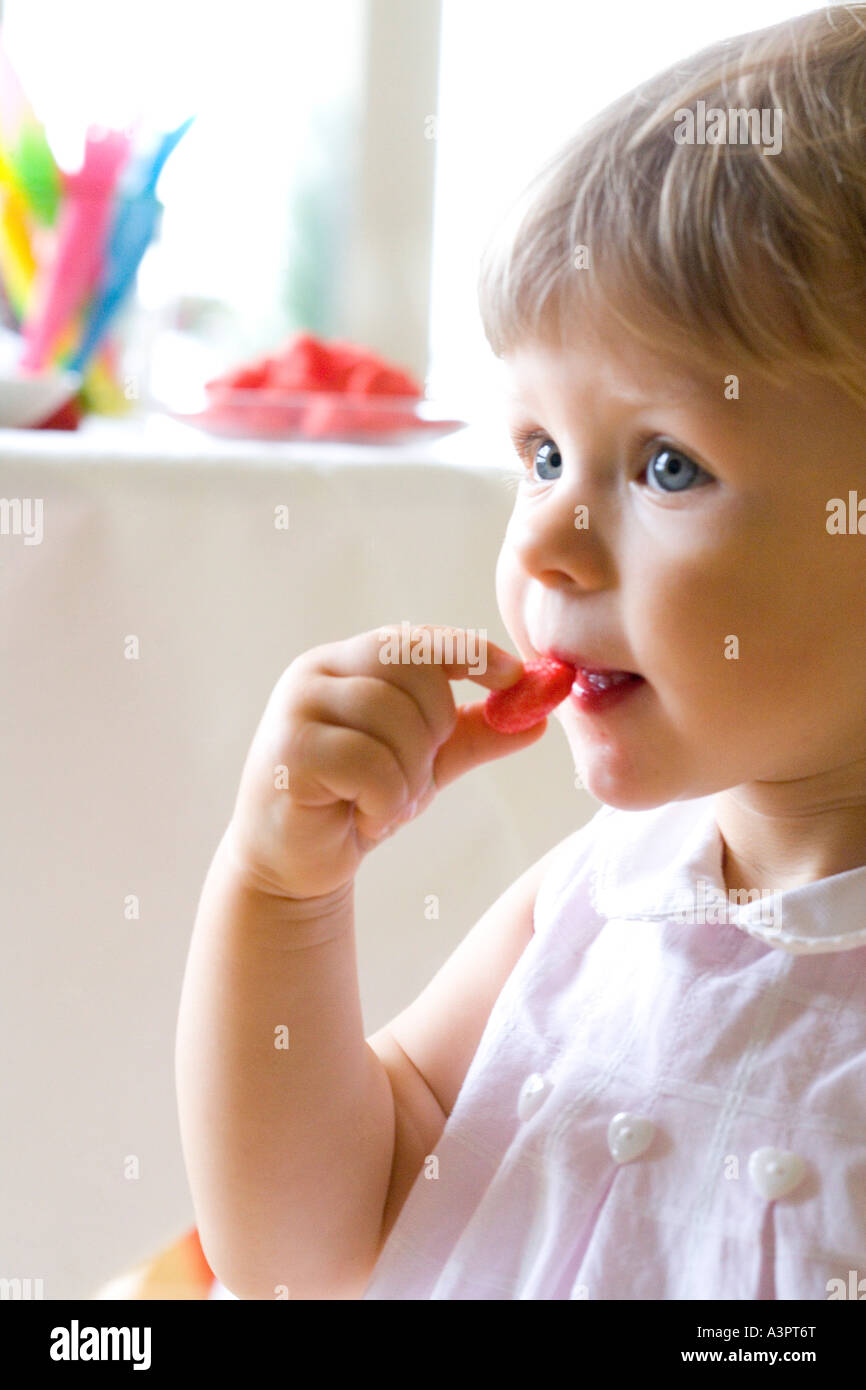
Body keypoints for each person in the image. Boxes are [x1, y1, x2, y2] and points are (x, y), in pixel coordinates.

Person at [175, 3, 866, 1300]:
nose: (546, 535)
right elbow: (309, 1251)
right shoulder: (593, 901)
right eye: (540, 452)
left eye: (665, 464)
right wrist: (280, 896)